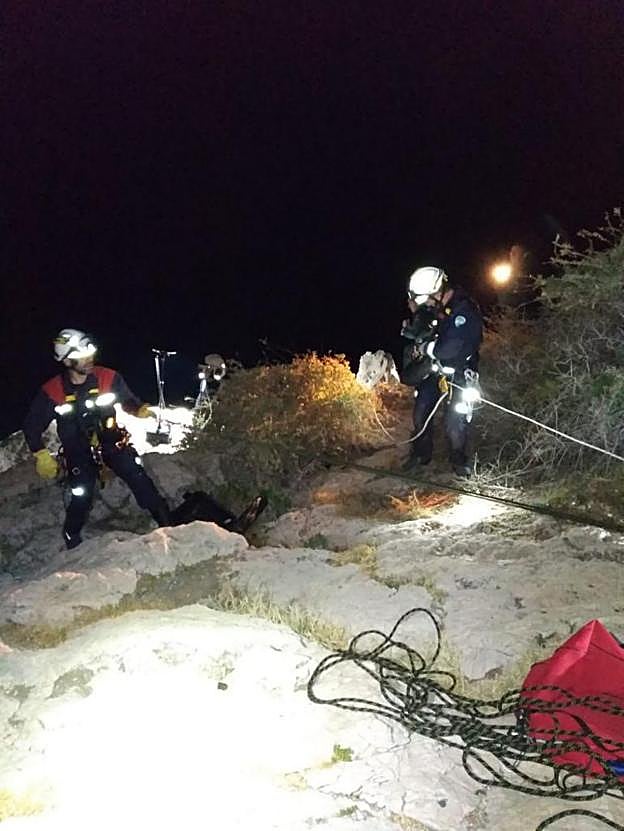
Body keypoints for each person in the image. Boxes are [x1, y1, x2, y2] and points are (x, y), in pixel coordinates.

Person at [23, 328, 171, 549]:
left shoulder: (108, 377)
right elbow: (32, 426)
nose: (89, 359)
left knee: (137, 475)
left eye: (89, 353)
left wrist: (139, 409)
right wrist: (41, 454)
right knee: (81, 493)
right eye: (81, 357)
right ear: (67, 361)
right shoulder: (53, 391)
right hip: (78, 450)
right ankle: (72, 534)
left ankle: (166, 522)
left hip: (111, 441)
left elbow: (127, 400)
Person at [401, 266, 483, 477]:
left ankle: (459, 459)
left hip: (459, 371)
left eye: (426, 300)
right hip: (434, 369)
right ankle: (421, 454)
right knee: (421, 411)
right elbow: (423, 331)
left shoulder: (464, 311)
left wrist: (427, 348)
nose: (424, 305)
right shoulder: (434, 308)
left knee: (455, 419)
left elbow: (450, 349)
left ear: (438, 293)